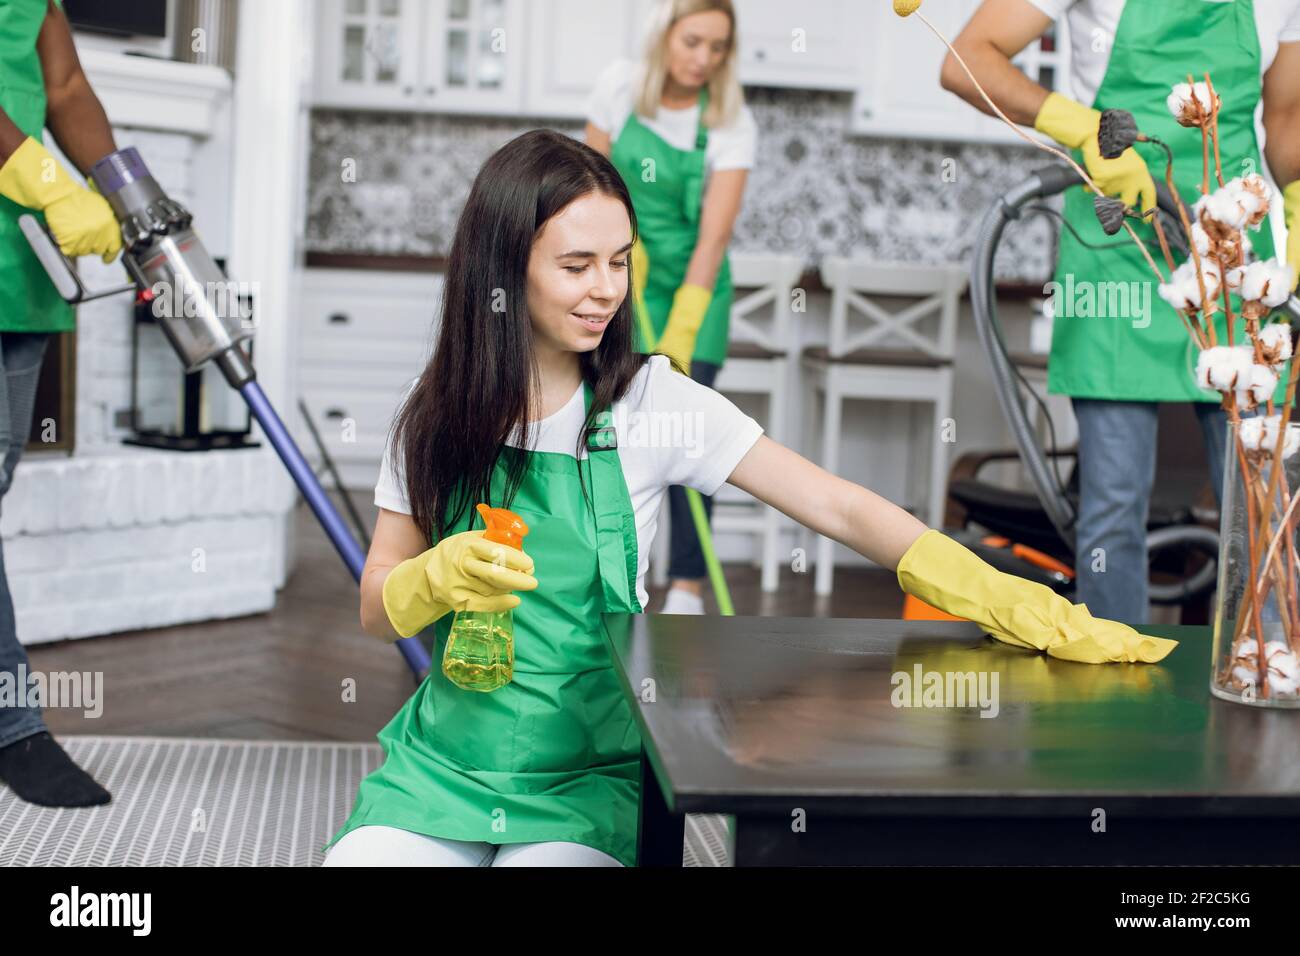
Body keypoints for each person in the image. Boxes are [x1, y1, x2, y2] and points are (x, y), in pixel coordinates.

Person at [322, 128, 1176, 867]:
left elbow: (838, 507)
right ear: (503, 270)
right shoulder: (435, 414)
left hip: (590, 774)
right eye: (576, 266)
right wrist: (433, 577)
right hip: (443, 767)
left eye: (620, 262)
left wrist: (1001, 595)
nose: (607, 289)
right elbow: (374, 605)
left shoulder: (650, 403)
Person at [941, 0, 1300, 624]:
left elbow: (1287, 116)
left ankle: (1264, 669)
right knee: (1112, 505)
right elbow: (967, 59)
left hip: (1236, 253)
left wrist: (1298, 191)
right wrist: (1085, 130)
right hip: (1118, 243)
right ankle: (1113, 672)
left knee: (1264, 502)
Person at [584, 0, 756, 616]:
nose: (703, 58)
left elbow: (714, 236)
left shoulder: (730, 120)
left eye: (718, 47)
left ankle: (686, 584)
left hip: (695, 287)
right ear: (665, 35)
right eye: (692, 41)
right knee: (606, 417)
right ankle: (604, 566)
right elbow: (590, 188)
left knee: (687, 426)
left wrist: (683, 324)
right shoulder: (619, 88)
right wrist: (619, 261)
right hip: (618, 271)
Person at [0, 0, 119, 807]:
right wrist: (48, 183)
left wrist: (131, 197)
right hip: (33, 209)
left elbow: (65, 85)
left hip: (21, 264)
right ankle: (16, 730)